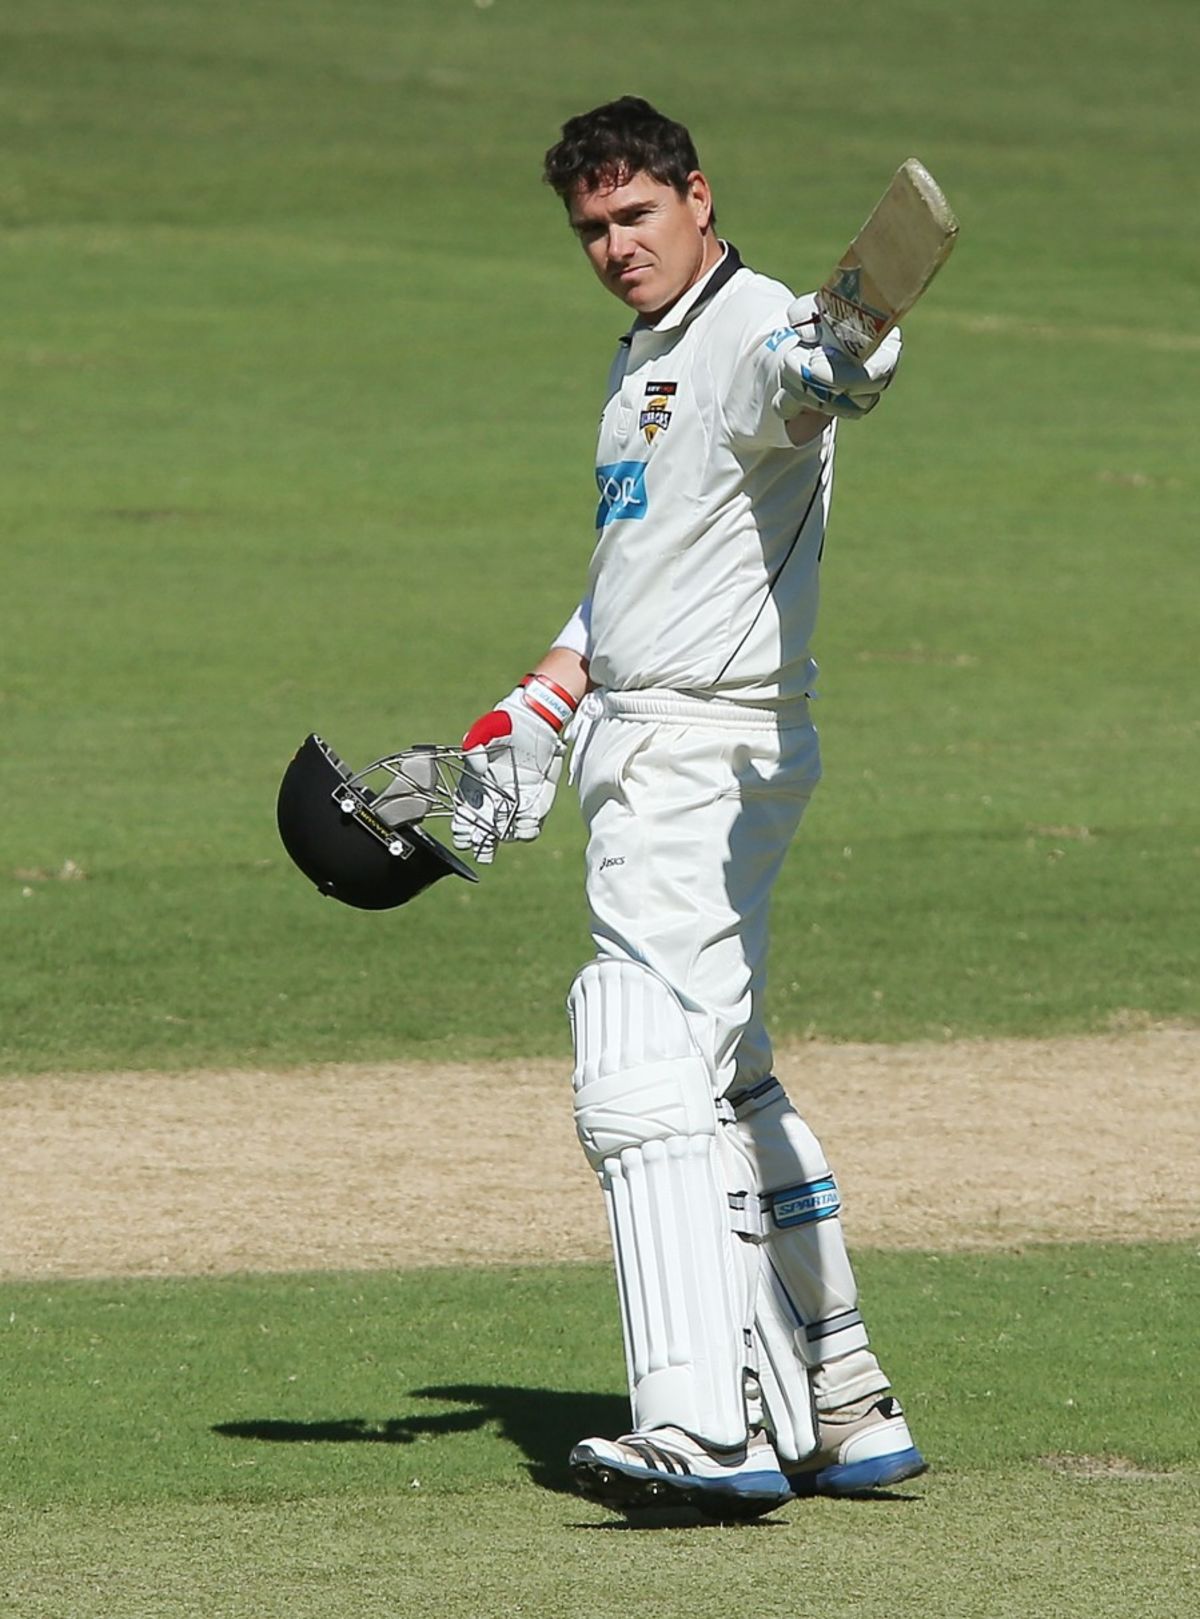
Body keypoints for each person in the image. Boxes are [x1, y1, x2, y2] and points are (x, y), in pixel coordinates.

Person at [451, 96, 925, 1519]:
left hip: (704, 758)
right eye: (591, 228)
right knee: (724, 1077)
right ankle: (843, 1396)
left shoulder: (748, 329)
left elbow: (815, 375)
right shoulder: (646, 355)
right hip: (649, 734)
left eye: (635, 216)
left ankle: (700, 1426)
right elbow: (637, 567)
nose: (614, 247)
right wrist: (542, 701)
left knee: (634, 1061)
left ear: (697, 197)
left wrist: (848, 348)